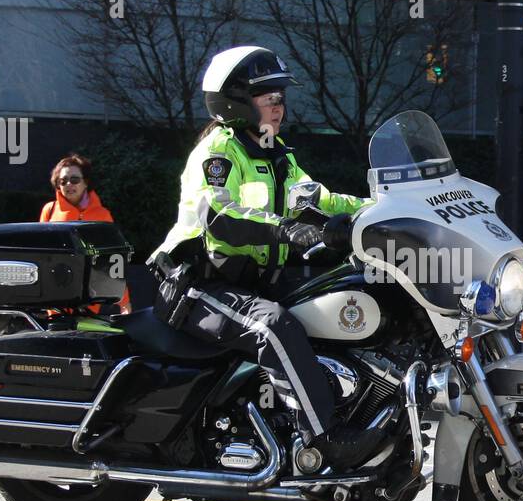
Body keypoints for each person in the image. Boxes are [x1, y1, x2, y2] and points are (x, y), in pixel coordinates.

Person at [150, 45, 381, 471]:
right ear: (235, 100)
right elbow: (220, 215)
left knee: (332, 302)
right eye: (268, 97)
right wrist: (283, 227)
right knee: (274, 327)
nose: (278, 106)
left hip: (249, 284)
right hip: (198, 285)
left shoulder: (277, 153)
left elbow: (320, 200)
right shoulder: (218, 153)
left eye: (280, 97)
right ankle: (325, 441)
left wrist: (378, 210)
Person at [39, 154, 131, 315]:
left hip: (88, 297)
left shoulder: (102, 215)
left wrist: (124, 302)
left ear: (85, 182)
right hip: (55, 294)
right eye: (63, 181)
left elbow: (112, 260)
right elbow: (40, 251)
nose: (69, 184)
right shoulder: (50, 210)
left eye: (74, 179)